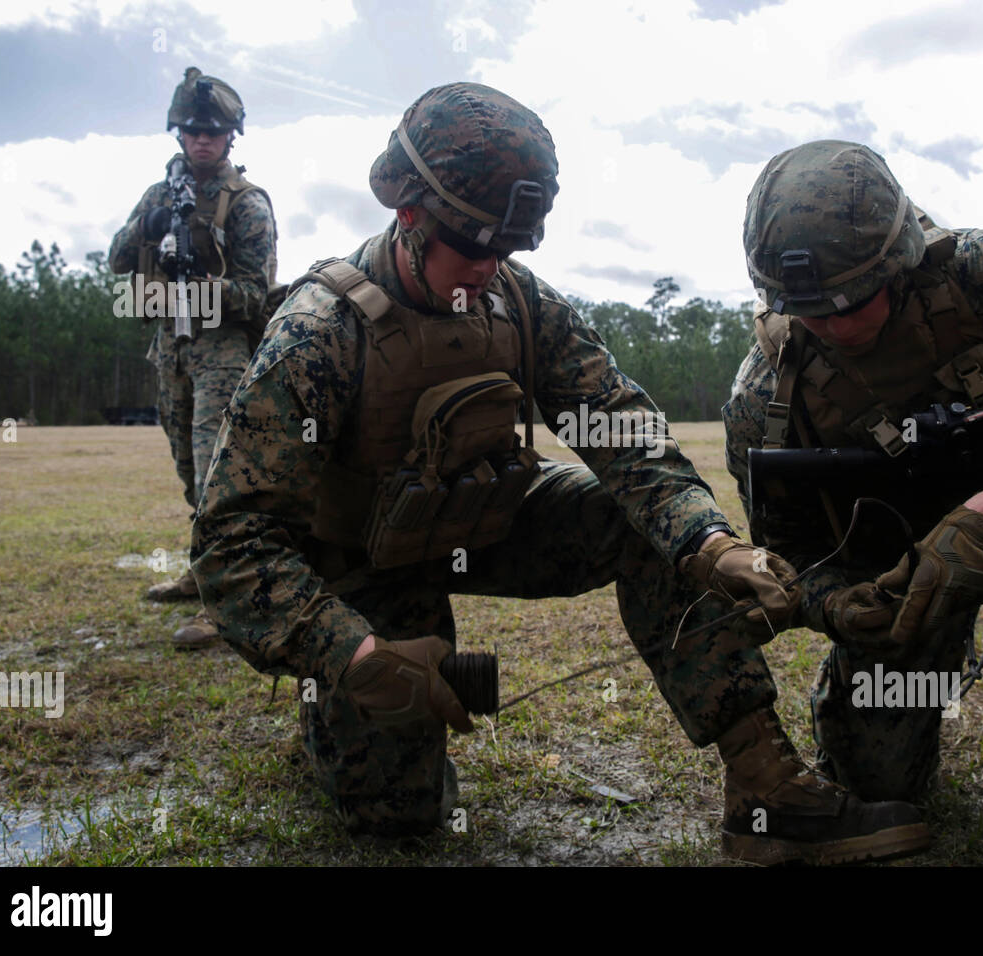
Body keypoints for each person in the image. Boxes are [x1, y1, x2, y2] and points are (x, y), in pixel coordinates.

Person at [190, 83, 931, 865]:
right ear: (408, 215)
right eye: (470, 247)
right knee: (395, 815)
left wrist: (709, 543)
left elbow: (623, 435)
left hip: (485, 517)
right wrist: (352, 654)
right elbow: (231, 545)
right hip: (360, 566)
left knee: (652, 527)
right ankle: (328, 731)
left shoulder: (519, 301)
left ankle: (766, 790)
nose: (485, 269)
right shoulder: (318, 334)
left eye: (503, 251)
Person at [722, 140, 983, 852]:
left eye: (851, 300)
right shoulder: (765, 399)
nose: (833, 325)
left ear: (902, 257)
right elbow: (789, 557)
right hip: (905, 583)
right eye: (804, 308)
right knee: (877, 779)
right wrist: (840, 607)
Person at [108, 67, 278, 648]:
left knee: (216, 472)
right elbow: (115, 262)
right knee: (188, 470)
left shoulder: (248, 203)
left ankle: (223, 600)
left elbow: (258, 293)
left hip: (222, 349)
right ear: (178, 135)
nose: (202, 140)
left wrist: (205, 283)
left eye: (214, 132)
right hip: (171, 348)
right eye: (192, 131)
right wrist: (145, 230)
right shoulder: (159, 195)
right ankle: (204, 569)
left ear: (231, 138)